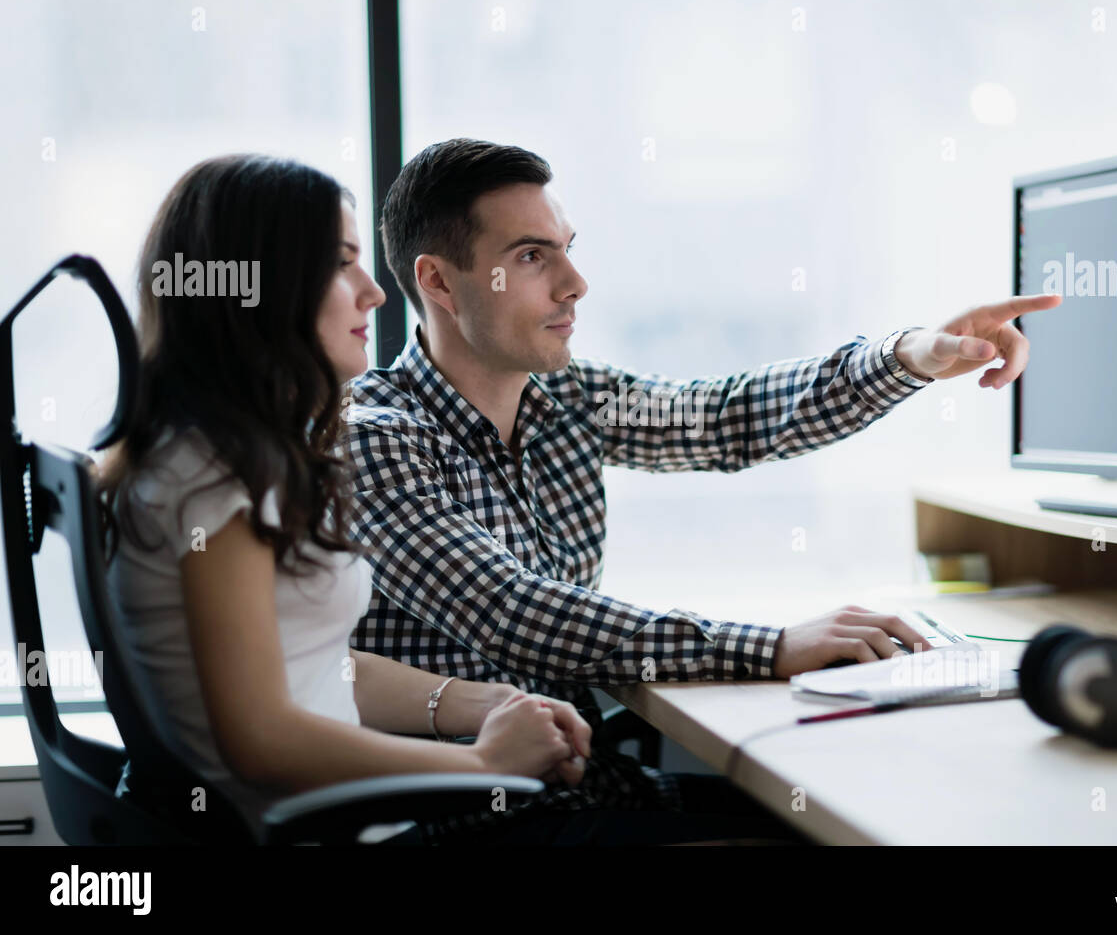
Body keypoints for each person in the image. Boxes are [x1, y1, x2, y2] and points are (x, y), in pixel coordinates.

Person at [343, 137, 1062, 844]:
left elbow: (726, 417)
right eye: (532, 256)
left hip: (583, 791)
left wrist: (908, 357)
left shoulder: (567, 396)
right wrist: (771, 646)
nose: (575, 283)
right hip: (470, 818)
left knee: (870, 811)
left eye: (567, 247)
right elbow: (511, 611)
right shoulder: (373, 437)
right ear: (437, 281)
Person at [100, 153, 591, 840]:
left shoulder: (226, 452)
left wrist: (478, 704)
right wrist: (484, 764)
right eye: (340, 263)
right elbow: (263, 739)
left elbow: (308, 663)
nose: (375, 292)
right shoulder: (211, 483)